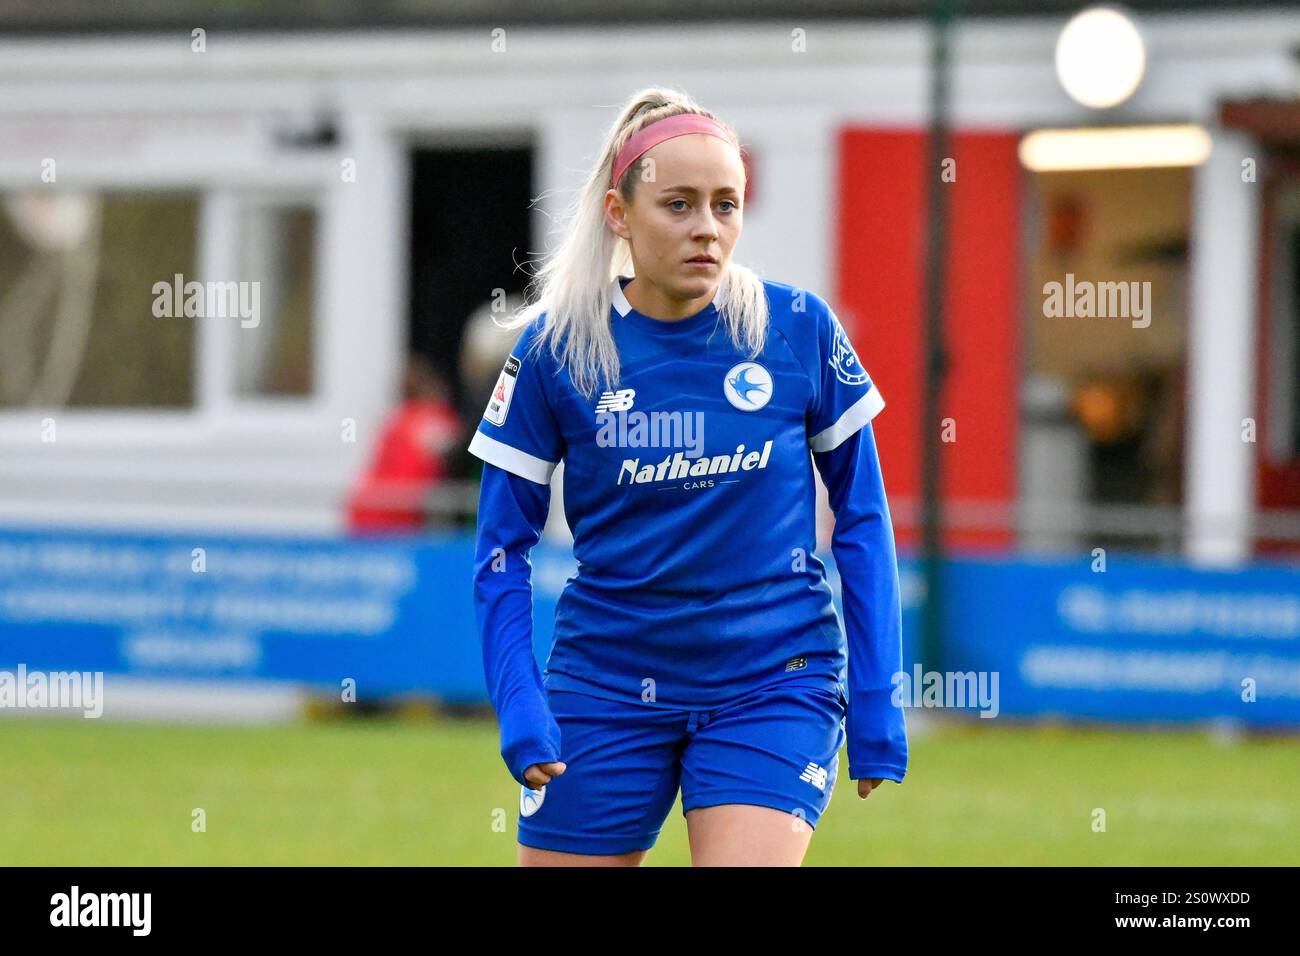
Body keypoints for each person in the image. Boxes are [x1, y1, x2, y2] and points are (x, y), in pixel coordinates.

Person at [468, 87, 907, 867]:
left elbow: (864, 520)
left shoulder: (797, 328)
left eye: (726, 204)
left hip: (774, 679)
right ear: (618, 212)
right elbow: (503, 550)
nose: (708, 227)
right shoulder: (555, 352)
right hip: (604, 685)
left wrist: (875, 697)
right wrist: (520, 699)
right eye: (678, 204)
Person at [346, 355, 461, 533]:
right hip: (395, 515)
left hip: (368, 509)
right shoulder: (434, 420)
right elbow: (459, 453)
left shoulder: (395, 421)